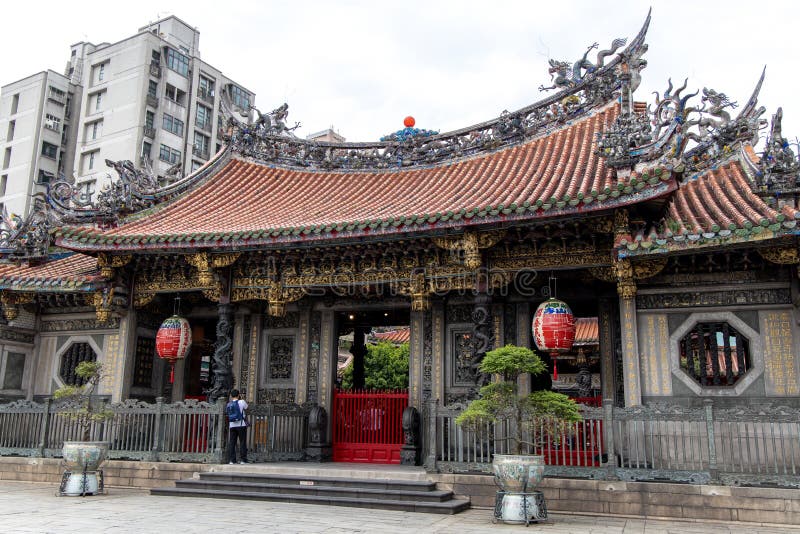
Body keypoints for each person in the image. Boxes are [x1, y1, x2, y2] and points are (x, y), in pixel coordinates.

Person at [226, 389, 248, 464]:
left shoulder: (229, 404)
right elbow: (246, 407)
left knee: (232, 442)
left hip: (232, 425)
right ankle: (243, 460)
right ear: (238, 395)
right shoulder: (241, 401)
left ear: (231, 396)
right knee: (242, 442)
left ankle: (232, 460)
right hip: (241, 424)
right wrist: (241, 398)